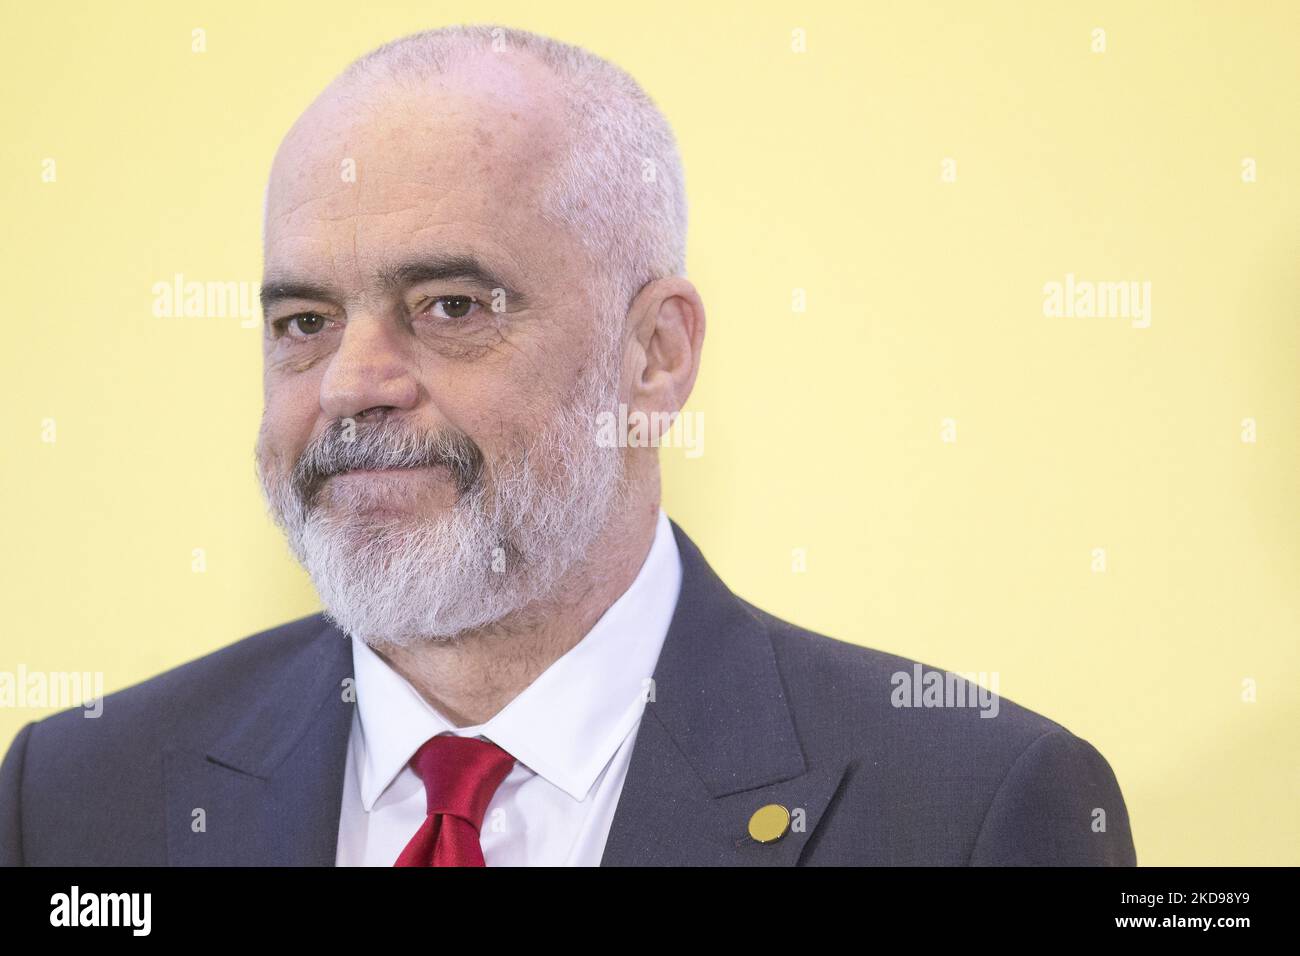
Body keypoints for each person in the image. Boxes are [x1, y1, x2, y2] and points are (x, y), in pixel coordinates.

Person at [0, 24, 1135, 866]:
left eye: (450, 305)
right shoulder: (76, 800)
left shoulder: (974, 809)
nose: (352, 383)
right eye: (304, 322)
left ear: (654, 354)